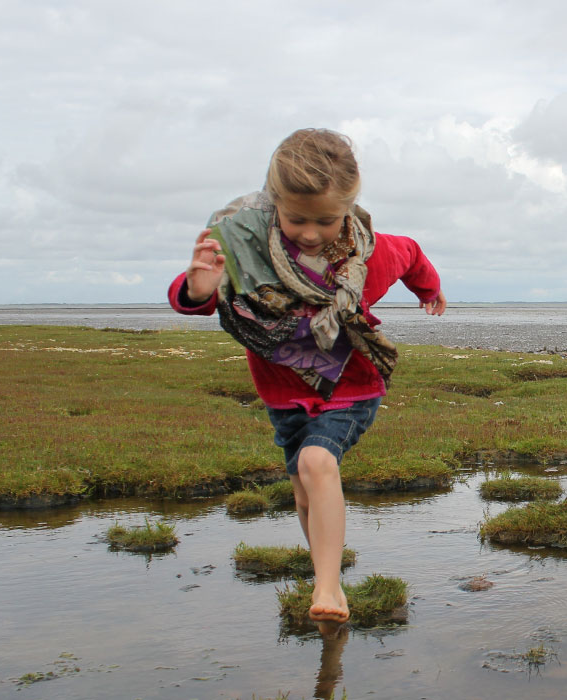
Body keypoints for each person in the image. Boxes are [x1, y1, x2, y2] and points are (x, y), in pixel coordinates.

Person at [168, 128, 446, 625]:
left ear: (349, 206)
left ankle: (328, 587)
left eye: (326, 220)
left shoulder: (370, 254)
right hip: (281, 393)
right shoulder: (243, 245)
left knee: (317, 464)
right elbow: (202, 299)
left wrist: (430, 291)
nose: (312, 233)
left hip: (352, 385)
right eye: (297, 219)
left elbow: (412, 254)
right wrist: (197, 287)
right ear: (274, 203)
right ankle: (327, 574)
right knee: (302, 485)